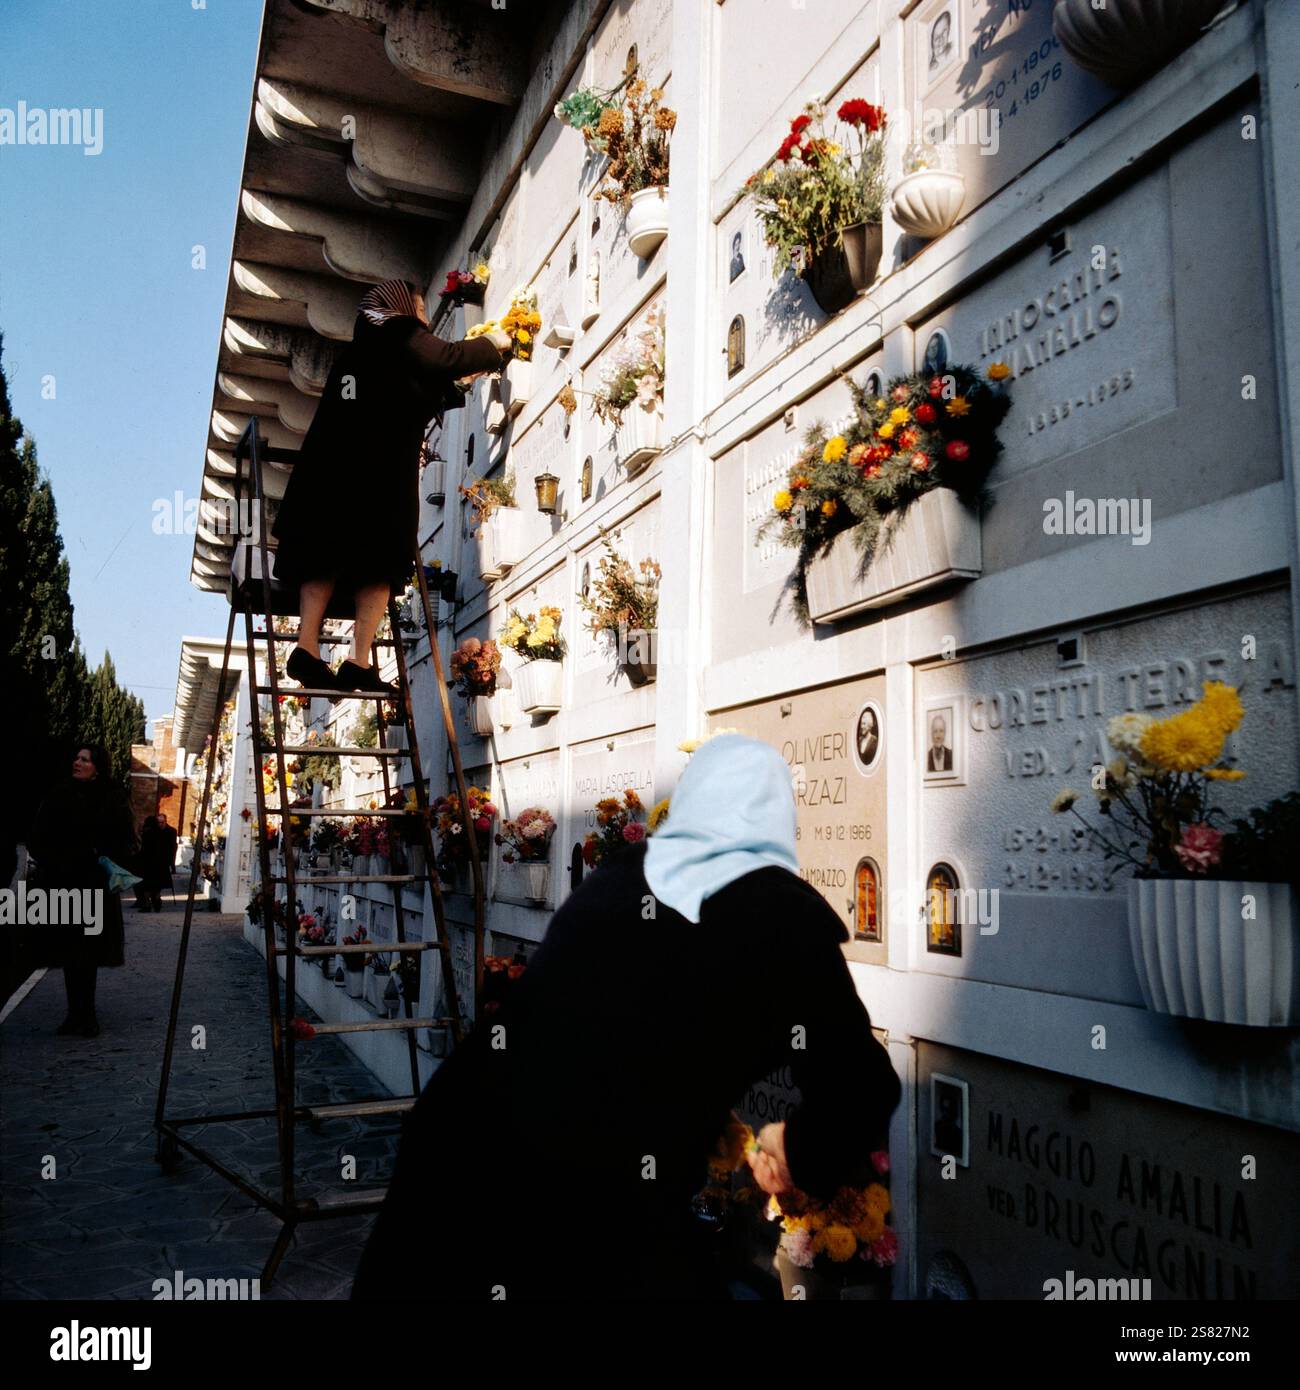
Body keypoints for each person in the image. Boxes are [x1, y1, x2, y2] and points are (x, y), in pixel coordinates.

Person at [351, 734, 900, 1300]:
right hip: (584, 1206)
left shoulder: (624, 875)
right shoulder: (787, 916)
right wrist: (795, 1149)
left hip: (454, 1152)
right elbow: (862, 1089)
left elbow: (625, 1030)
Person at [271, 280, 513, 694]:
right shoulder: (397, 330)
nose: (423, 318)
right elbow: (446, 357)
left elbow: (412, 393)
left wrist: (455, 385)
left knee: (324, 556)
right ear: (400, 306)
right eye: (419, 308)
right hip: (374, 477)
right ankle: (358, 658)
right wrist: (496, 343)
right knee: (379, 565)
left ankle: (307, 648)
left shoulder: (363, 352)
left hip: (330, 474)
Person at [25, 743, 136, 1038]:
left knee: (88, 954)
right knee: (69, 952)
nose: (77, 763)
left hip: (94, 886)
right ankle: (74, 1014)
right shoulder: (59, 794)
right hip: (62, 884)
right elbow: (38, 836)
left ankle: (87, 1015)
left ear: (97, 766)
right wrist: (56, 860)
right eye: (76, 758)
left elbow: (126, 840)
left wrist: (101, 854)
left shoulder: (111, 796)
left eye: (84, 760)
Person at [135, 812, 178, 912]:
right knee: (149, 885)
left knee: (155, 885)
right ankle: (152, 903)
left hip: (160, 862)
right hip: (150, 862)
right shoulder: (151, 832)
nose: (160, 825)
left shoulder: (169, 831)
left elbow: (172, 848)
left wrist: (171, 863)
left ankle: (154, 902)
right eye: (158, 823)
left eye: (162, 822)